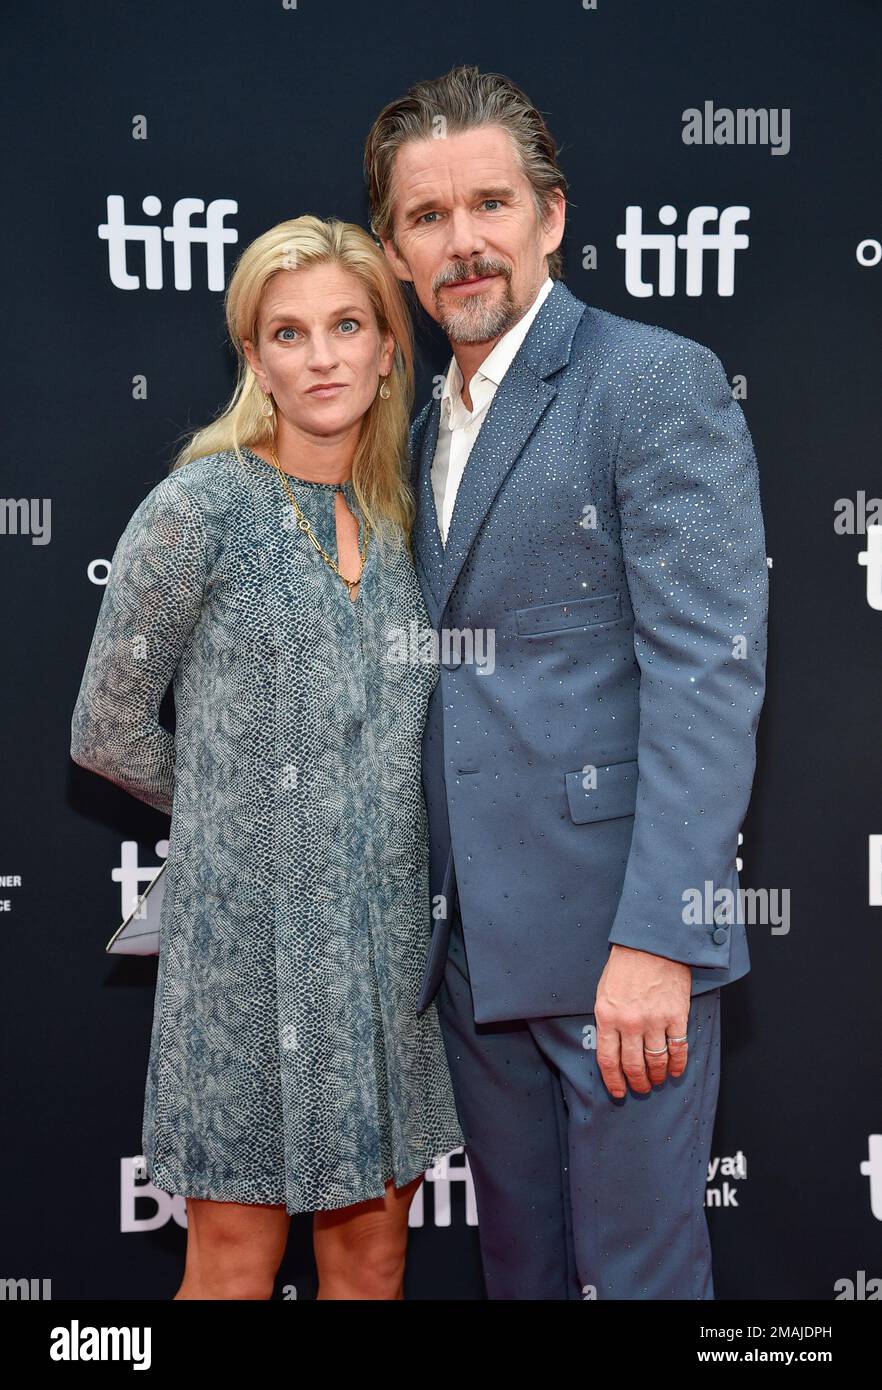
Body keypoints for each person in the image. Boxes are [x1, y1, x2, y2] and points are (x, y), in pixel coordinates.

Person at [363, 65, 769, 1299]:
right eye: (427, 218)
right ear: (393, 250)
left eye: (491, 202)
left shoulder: (648, 379)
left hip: (618, 948)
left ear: (552, 214)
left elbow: (708, 671)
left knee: (642, 1278)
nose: (463, 241)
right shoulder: (417, 425)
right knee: (518, 1270)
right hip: (476, 948)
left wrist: (661, 937)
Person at [70, 214, 464, 1300]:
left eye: (348, 325)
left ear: (392, 347)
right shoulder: (197, 510)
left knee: (374, 1263)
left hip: (385, 964)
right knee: (234, 1265)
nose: (323, 355)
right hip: (244, 961)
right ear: (254, 358)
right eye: (288, 333)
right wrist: (237, 819)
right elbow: (103, 730)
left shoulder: (407, 521)